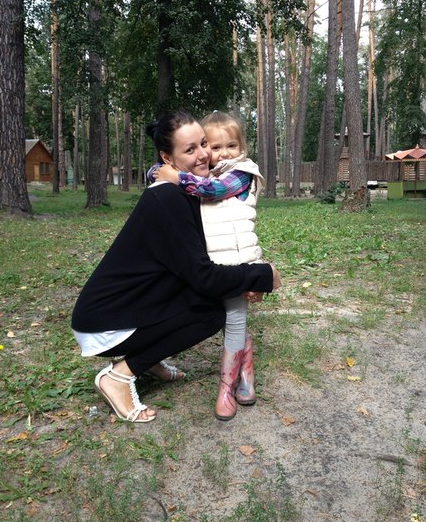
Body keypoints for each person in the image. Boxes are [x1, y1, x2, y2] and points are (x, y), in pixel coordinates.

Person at [71, 110, 280, 424]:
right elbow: (205, 278)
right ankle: (119, 376)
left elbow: (201, 263)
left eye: (203, 144)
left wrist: (246, 277)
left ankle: (148, 361)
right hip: (105, 320)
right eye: (190, 149)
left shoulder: (187, 190)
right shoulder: (168, 197)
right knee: (210, 315)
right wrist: (264, 275)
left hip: (127, 304)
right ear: (167, 159)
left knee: (203, 299)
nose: (204, 154)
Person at [150, 111, 266, 421]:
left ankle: (226, 387)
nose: (224, 153)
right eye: (215, 147)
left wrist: (176, 177)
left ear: (242, 147)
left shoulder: (241, 173)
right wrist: (159, 171)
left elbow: (214, 192)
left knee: (235, 319)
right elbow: (180, 180)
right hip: (213, 263)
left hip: (239, 263)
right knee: (228, 319)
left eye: (232, 145)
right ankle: (246, 372)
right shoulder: (204, 176)